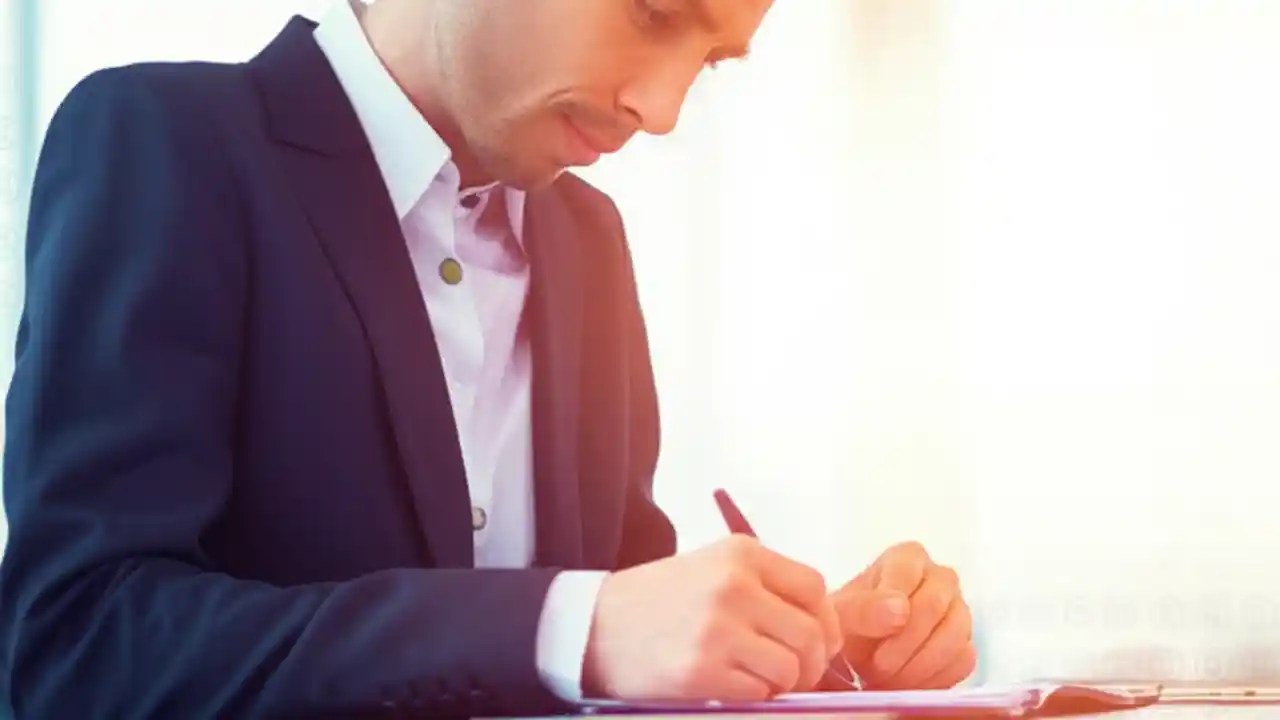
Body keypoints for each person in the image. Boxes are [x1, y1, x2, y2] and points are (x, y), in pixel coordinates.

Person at [0, 0, 976, 716]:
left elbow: (623, 633)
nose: (666, 108)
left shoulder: (588, 240)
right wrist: (574, 628)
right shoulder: (170, 143)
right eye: (651, 14)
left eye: (712, 61)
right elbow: (76, 645)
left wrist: (805, 646)